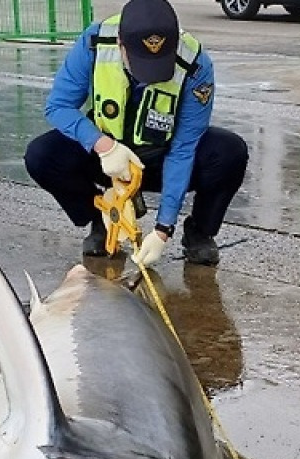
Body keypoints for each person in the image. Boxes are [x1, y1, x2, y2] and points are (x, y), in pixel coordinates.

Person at [23, 0, 248, 267]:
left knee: (229, 152)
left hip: (161, 156)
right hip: (109, 160)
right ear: (121, 44)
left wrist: (163, 228)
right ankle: (102, 219)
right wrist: (102, 144)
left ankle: (199, 231)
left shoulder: (196, 65)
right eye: (142, 64)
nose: (150, 76)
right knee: (42, 155)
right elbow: (58, 106)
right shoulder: (94, 43)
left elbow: (183, 148)